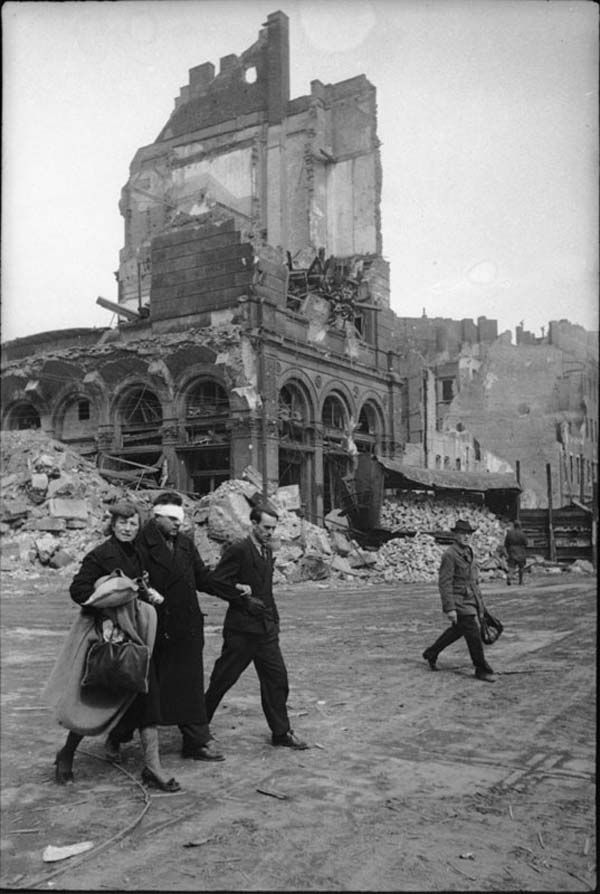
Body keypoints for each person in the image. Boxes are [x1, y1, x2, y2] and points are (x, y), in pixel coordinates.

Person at [45, 501, 181, 792]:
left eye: (133, 523)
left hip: (138, 636)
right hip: (111, 639)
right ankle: (67, 753)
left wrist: (146, 592)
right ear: (113, 523)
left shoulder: (137, 551)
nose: (128, 528)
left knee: (147, 695)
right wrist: (109, 597)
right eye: (122, 522)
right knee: (96, 699)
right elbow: (79, 590)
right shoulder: (100, 554)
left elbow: (136, 586)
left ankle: (153, 767)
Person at [134, 491, 236, 762]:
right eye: (171, 518)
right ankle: (118, 734)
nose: (178, 524)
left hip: (187, 626)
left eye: (180, 518)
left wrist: (231, 589)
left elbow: (202, 578)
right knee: (144, 687)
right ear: (156, 517)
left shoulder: (185, 544)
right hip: (156, 627)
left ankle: (196, 740)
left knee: (188, 685)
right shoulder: (139, 545)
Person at [205, 505, 308, 749]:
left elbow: (266, 591)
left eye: (273, 528)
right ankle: (197, 727)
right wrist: (241, 596)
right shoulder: (239, 549)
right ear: (253, 523)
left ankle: (281, 733)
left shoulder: (267, 550)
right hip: (241, 631)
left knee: (277, 679)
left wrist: (274, 620)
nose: (270, 532)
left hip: (265, 630)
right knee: (223, 678)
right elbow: (216, 582)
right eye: (265, 528)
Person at [422, 519, 496, 683]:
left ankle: (432, 653)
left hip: (471, 600)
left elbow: (473, 580)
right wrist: (450, 608)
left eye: (468, 534)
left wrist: (480, 603)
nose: (466, 537)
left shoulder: (469, 552)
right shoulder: (449, 555)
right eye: (462, 533)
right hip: (459, 602)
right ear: (455, 535)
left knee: (457, 630)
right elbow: (445, 583)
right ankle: (481, 669)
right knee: (473, 635)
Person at [504, 520, 528, 585]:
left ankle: (509, 577)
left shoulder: (509, 533)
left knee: (511, 567)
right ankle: (520, 581)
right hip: (521, 552)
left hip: (512, 551)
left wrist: (508, 551)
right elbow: (526, 543)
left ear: (514, 526)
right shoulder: (522, 534)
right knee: (521, 567)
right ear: (520, 526)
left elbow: (506, 544)